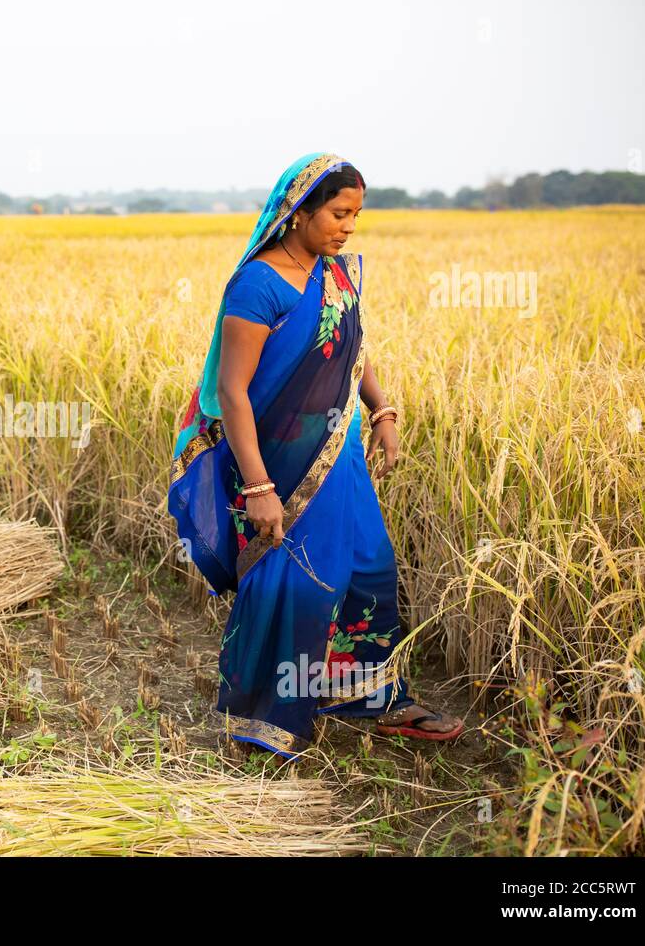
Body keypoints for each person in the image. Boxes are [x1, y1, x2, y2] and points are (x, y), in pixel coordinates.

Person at [168, 152, 465, 762]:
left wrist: (381, 411)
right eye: (338, 213)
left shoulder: (337, 274)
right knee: (292, 577)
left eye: (356, 215)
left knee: (370, 567)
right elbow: (232, 392)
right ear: (299, 211)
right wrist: (258, 486)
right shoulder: (257, 284)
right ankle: (263, 720)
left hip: (340, 452)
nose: (349, 226)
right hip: (278, 460)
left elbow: (351, 345)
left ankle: (369, 696)